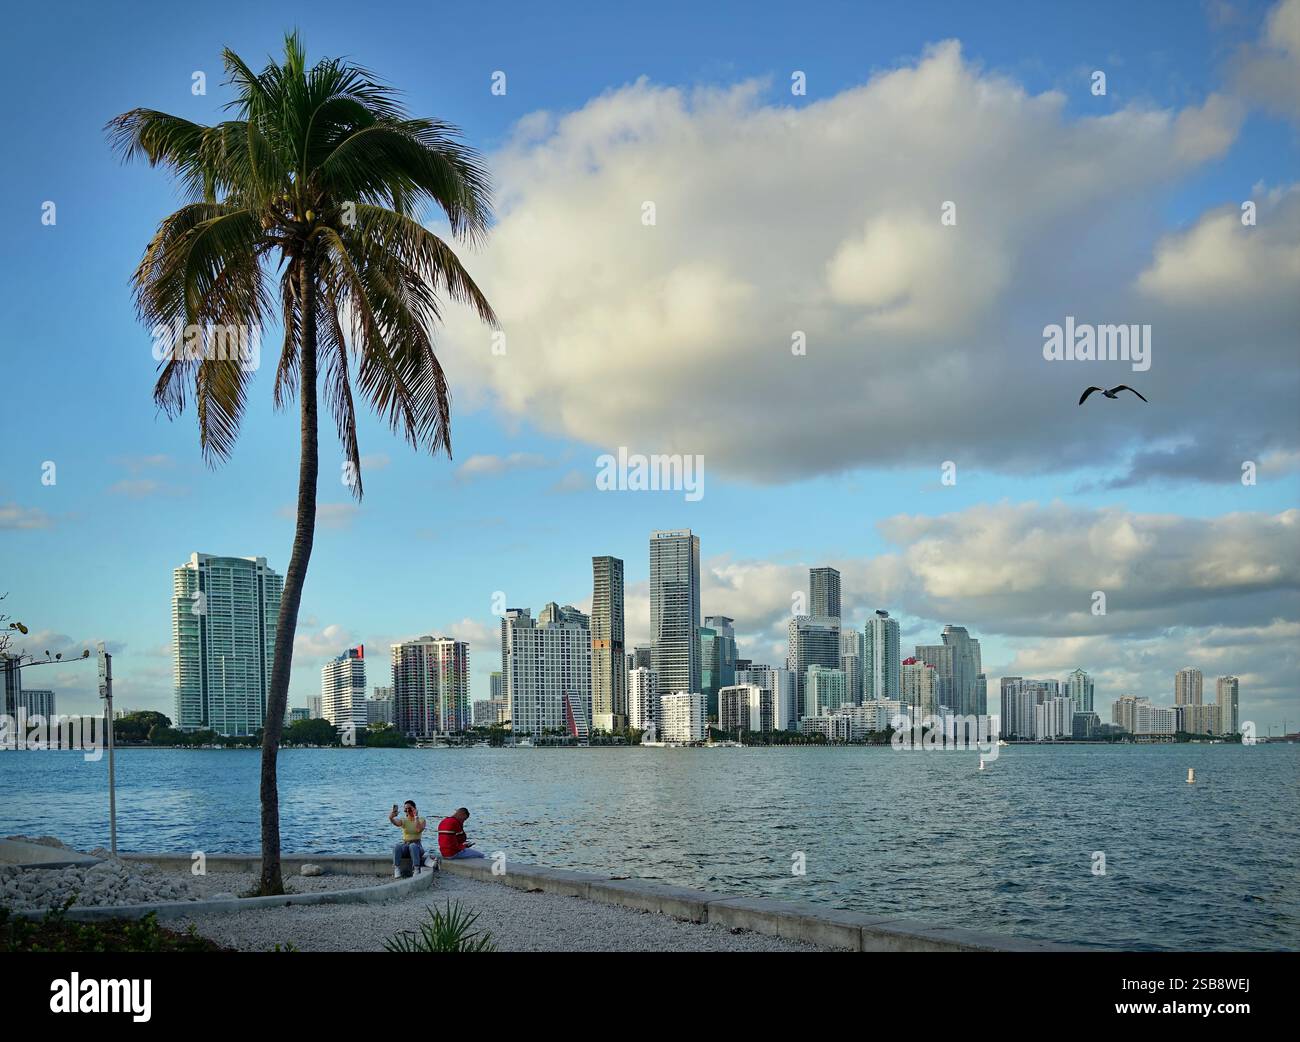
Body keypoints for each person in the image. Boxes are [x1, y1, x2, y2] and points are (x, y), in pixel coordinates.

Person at [388, 799, 430, 877]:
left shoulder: (422, 820)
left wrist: (416, 817)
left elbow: (418, 830)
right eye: (405, 809)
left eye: (409, 809)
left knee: (413, 846)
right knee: (397, 846)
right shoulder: (404, 820)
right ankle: (396, 869)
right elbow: (396, 823)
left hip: (417, 846)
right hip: (406, 845)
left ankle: (416, 869)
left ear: (414, 808)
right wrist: (391, 818)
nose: (407, 811)